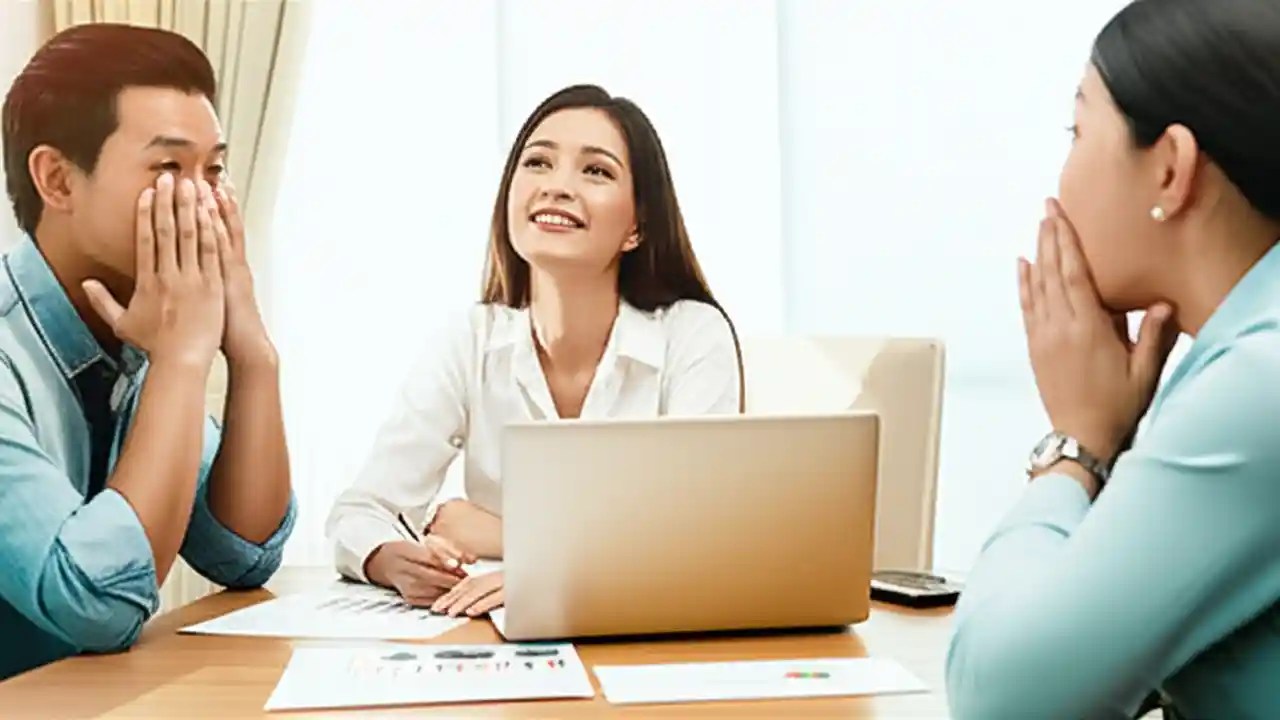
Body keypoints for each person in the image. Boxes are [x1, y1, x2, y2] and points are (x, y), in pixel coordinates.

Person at [945, 1, 1280, 718]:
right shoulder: (1239, 354)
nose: (1058, 182)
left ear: (1170, 170)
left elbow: (1001, 699)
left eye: (1077, 131)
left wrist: (1077, 445)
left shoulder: (1259, 384)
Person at [326, 84, 743, 618]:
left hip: (650, 648)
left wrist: (511, 543)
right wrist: (391, 559)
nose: (558, 187)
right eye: (538, 163)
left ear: (636, 225)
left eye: (596, 171)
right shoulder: (470, 340)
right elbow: (361, 509)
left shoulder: (693, 335)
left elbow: (699, 538)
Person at [0, 25, 295, 679]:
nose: (203, 201)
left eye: (214, 170)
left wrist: (252, 356)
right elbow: (97, 605)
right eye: (169, 169)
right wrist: (182, 362)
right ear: (57, 180)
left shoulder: (142, 324)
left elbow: (243, 549)